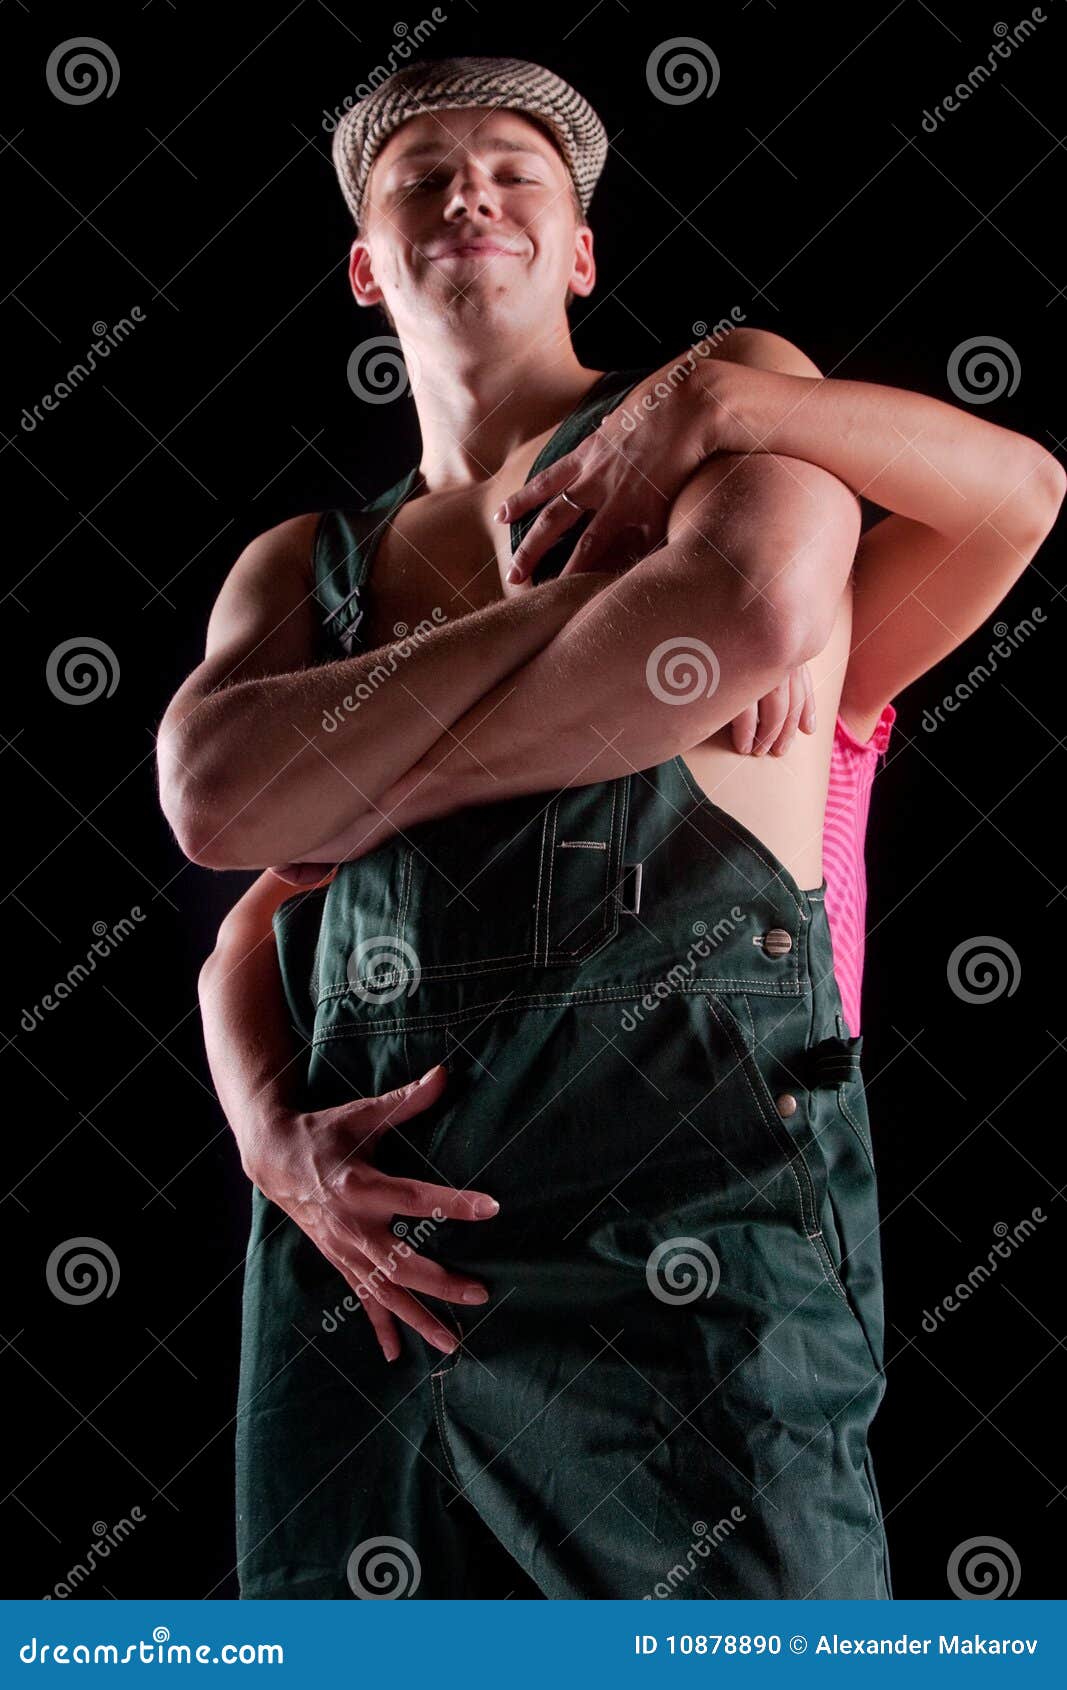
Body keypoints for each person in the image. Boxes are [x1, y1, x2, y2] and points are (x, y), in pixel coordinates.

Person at [158, 57, 1064, 1600]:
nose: (470, 187)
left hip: (692, 1208)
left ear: (581, 252)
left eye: (517, 165)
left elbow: (772, 593)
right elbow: (228, 845)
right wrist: (268, 1138)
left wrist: (353, 766)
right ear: (367, 268)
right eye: (419, 171)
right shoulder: (297, 564)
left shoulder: (738, 417)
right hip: (368, 1268)